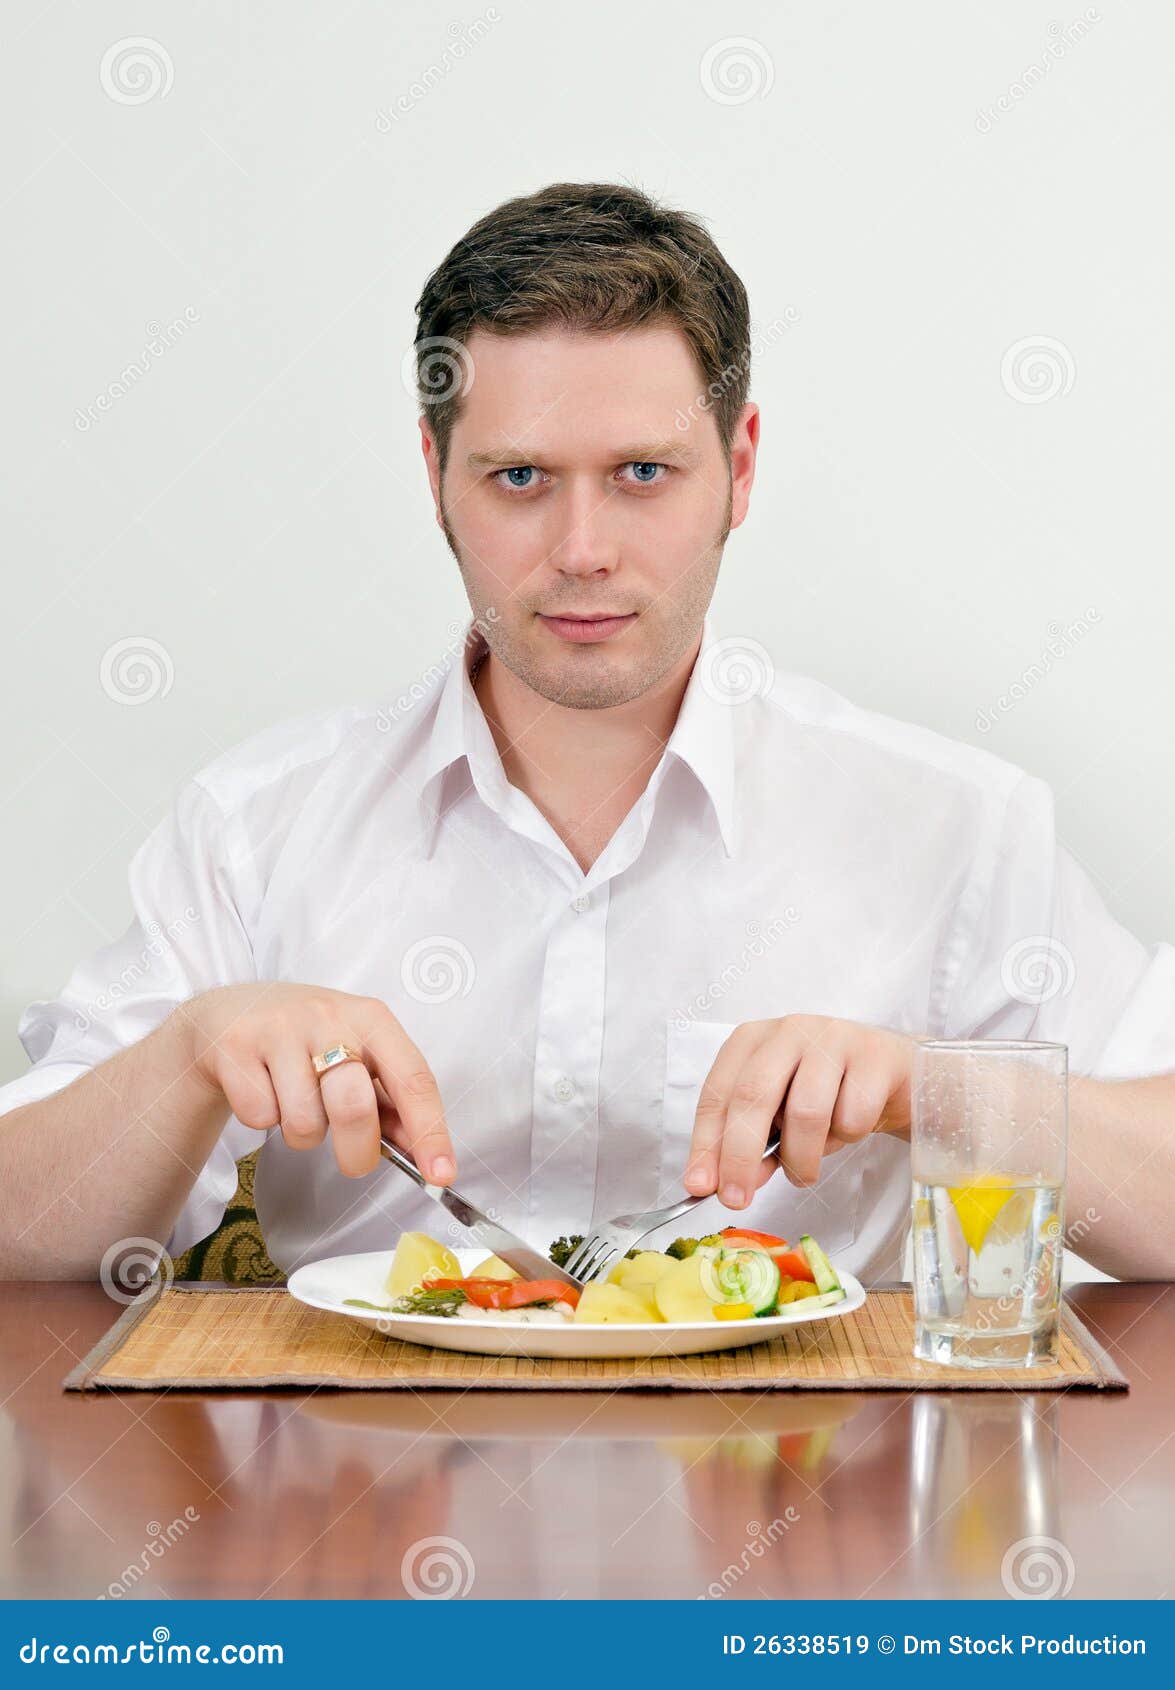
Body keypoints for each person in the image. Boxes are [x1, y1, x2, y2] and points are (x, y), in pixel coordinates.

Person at [1, 183, 1172, 1288]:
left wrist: (936, 1091)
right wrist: (193, 1051)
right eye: (518, 476)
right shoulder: (256, 825)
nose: (580, 549)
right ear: (434, 474)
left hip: (811, 1484)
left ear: (740, 467)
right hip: (362, 1482)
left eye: (642, 473)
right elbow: (21, 1235)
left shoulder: (954, 822)